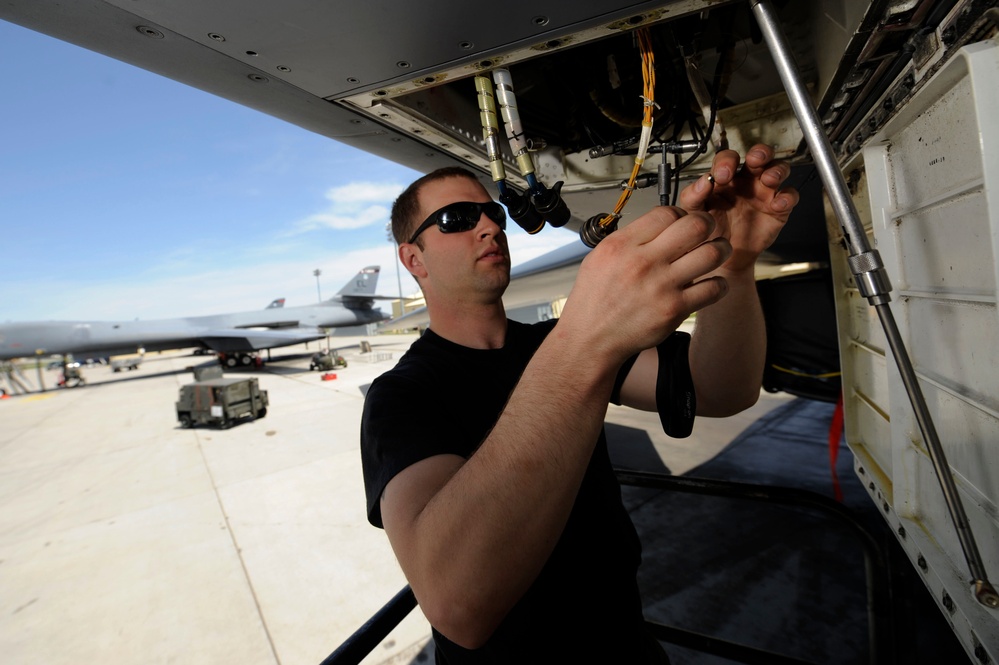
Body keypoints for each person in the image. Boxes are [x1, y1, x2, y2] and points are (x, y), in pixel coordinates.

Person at [360, 144, 799, 663]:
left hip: (627, 644)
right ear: (413, 259)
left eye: (492, 213)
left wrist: (738, 261)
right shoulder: (401, 395)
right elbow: (457, 604)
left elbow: (722, 389)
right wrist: (587, 342)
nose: (490, 227)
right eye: (457, 218)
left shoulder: (556, 340)